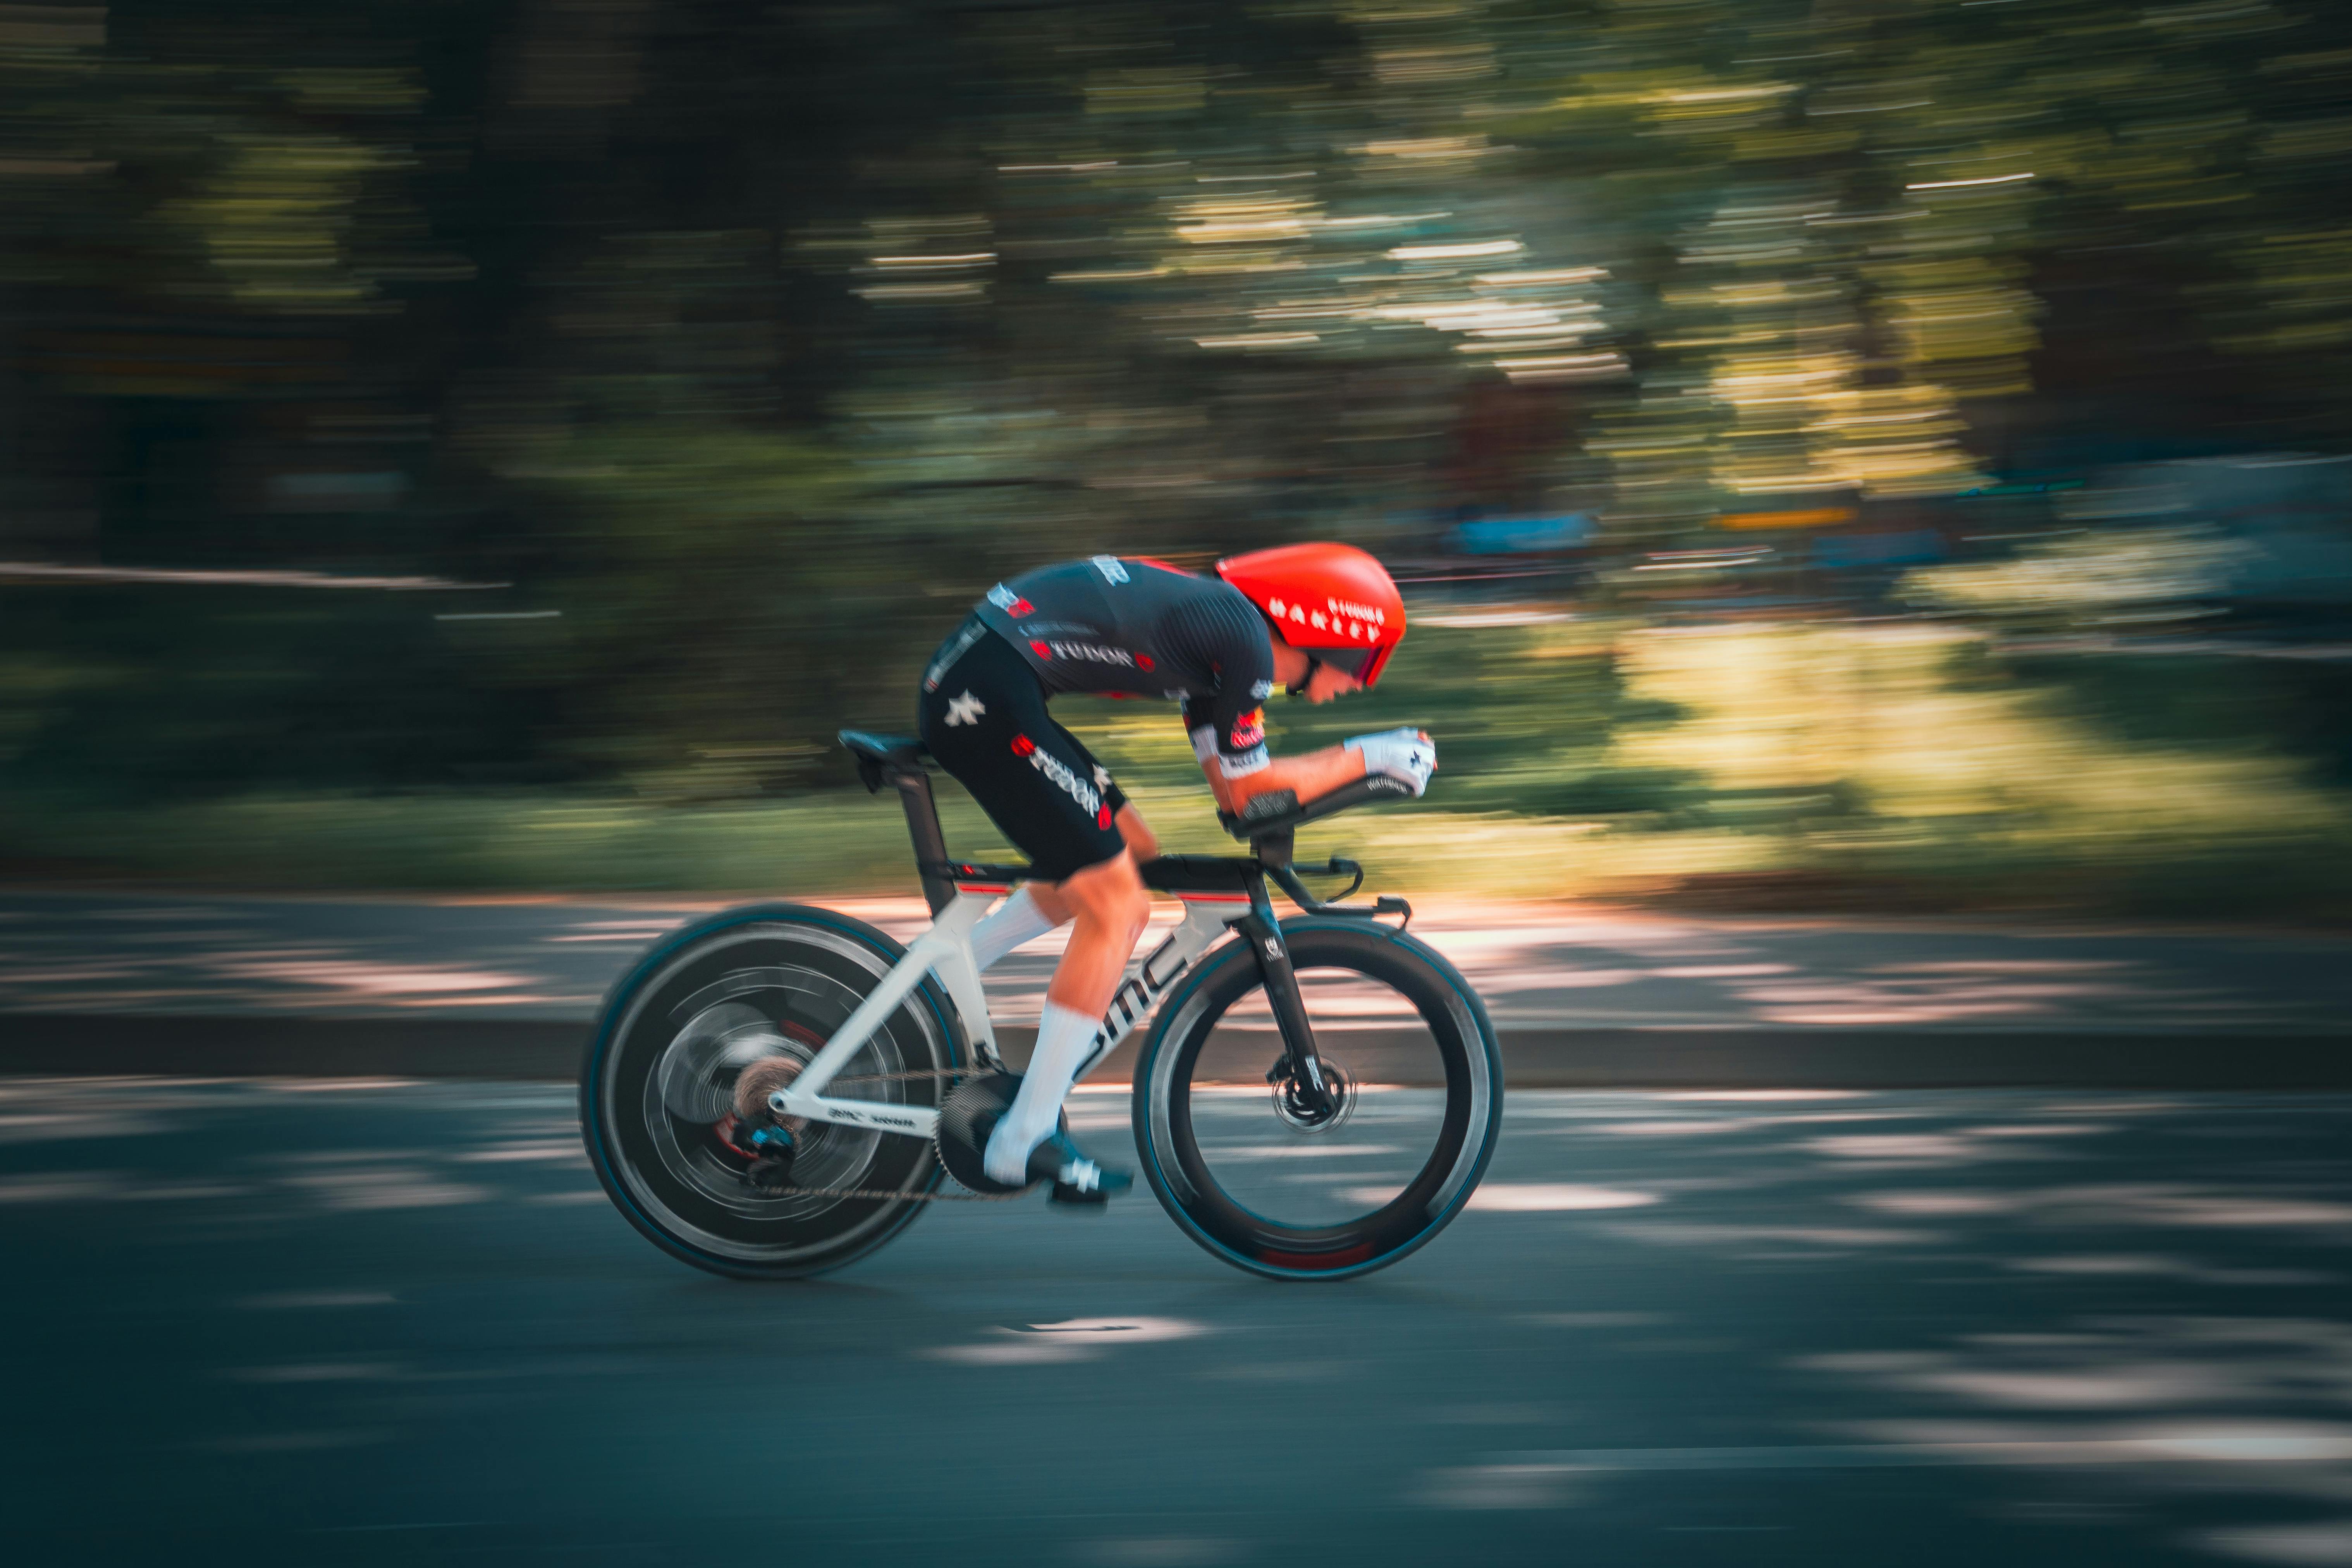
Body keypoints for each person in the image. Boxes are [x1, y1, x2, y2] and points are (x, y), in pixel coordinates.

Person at [913, 544, 1436, 1202]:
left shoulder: (1222, 654)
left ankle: (932, 979)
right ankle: (1023, 1138)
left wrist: (1359, 765)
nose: (1361, 683)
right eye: (1367, 664)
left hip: (987, 682)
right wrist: (1371, 754)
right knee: (1120, 908)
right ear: (1332, 632)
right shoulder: (1244, 641)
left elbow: (1238, 798)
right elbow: (1252, 794)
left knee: (1129, 851)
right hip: (986, 694)